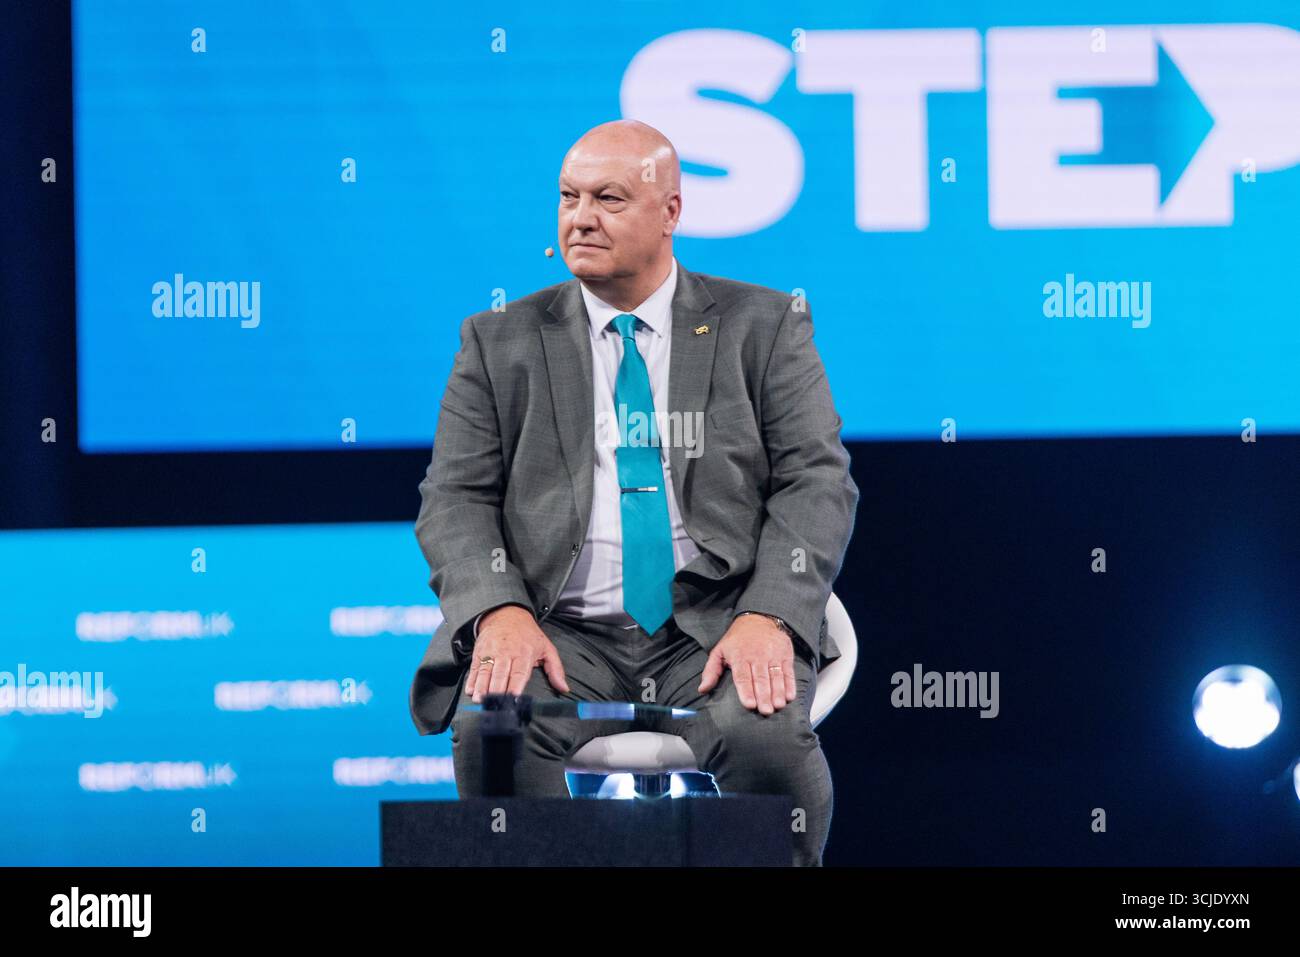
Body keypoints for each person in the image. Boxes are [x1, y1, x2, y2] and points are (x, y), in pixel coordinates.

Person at [408, 119, 858, 865]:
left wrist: (771, 613)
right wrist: (500, 609)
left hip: (714, 621)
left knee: (765, 734)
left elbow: (817, 479)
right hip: (562, 628)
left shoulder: (765, 325)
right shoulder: (498, 341)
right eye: (569, 196)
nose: (580, 217)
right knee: (496, 731)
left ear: (671, 212)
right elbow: (452, 495)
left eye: (609, 198)